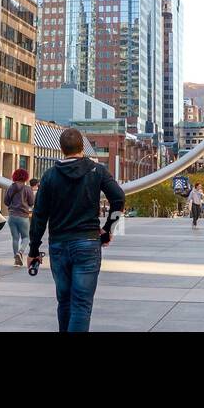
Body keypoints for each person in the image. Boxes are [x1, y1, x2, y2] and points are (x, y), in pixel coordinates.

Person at [28, 128, 125, 334]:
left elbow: (39, 215)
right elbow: (118, 198)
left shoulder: (49, 176)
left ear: (62, 149)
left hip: (58, 243)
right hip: (87, 242)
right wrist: (108, 228)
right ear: (82, 146)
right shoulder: (97, 171)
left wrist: (33, 249)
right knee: (81, 304)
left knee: (64, 301)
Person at [5, 168, 35, 267]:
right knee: (26, 237)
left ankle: (16, 260)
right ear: (25, 177)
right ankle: (20, 252)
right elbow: (31, 202)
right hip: (23, 217)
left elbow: (6, 201)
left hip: (12, 216)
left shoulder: (10, 188)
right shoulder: (27, 189)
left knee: (15, 238)